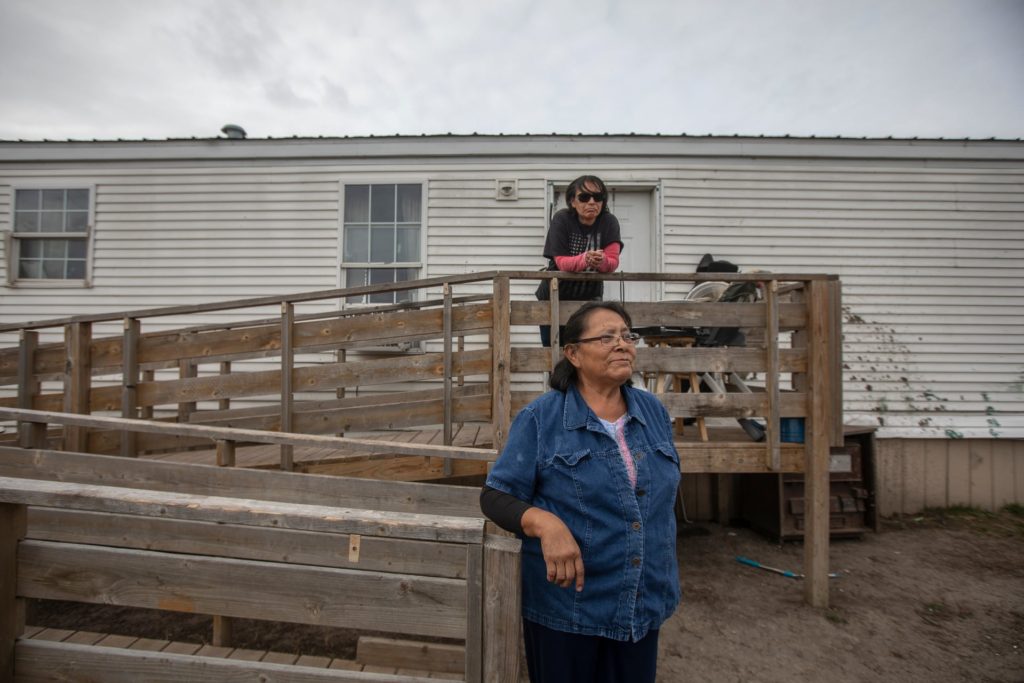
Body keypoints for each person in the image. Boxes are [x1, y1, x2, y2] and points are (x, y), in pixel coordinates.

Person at [480, 301, 681, 683]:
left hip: (642, 599)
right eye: (607, 337)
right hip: (569, 608)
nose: (622, 344)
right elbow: (494, 496)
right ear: (573, 353)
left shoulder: (652, 411)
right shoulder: (542, 417)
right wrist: (544, 523)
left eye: (627, 335)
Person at [538, 175, 623, 347]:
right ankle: (557, 375)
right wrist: (586, 259)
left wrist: (601, 261)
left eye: (597, 197)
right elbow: (561, 262)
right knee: (553, 346)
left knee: (587, 345)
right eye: (584, 197)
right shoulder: (562, 219)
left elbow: (612, 262)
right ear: (572, 201)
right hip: (555, 294)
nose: (591, 202)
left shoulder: (609, 222)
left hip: (590, 295)